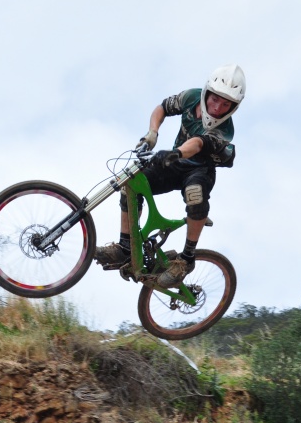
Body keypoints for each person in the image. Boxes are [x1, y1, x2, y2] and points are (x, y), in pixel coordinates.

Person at [95, 64, 246, 287]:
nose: (217, 108)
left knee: (195, 194)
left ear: (233, 108)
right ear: (207, 93)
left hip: (198, 170)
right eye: (215, 99)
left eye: (225, 105)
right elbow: (161, 109)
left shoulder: (224, 131)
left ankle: (185, 260)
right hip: (174, 164)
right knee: (132, 183)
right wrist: (152, 134)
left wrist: (176, 153)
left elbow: (196, 144)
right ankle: (125, 248)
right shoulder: (191, 97)